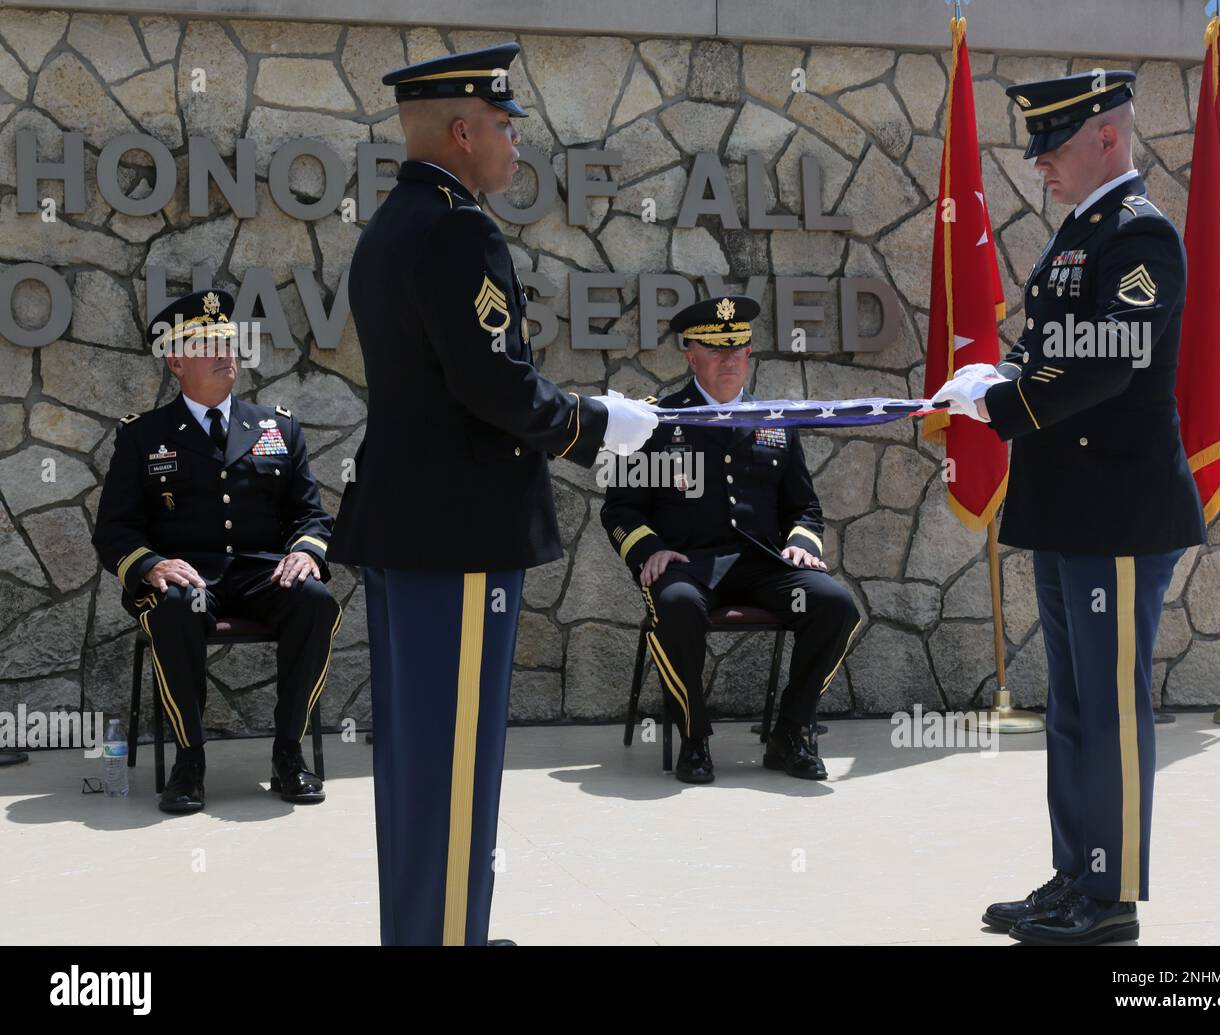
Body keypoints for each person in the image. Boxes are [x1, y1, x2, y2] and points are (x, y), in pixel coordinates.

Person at [328, 43, 657, 946]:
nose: (517, 145)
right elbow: (492, 383)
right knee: (453, 757)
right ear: (462, 132)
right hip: (458, 534)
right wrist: (595, 423)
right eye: (505, 127)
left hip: (413, 526)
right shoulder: (455, 230)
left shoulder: (394, 223)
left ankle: (431, 930)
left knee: (418, 759)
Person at [932, 71, 1206, 945]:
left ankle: (1111, 896)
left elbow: (1110, 358)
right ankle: (1073, 875)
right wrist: (996, 371)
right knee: (1074, 707)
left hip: (1118, 513)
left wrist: (1004, 401)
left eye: (1052, 146)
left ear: (1107, 138)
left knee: (1110, 708)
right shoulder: (1080, 233)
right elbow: (1048, 343)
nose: (1039, 163)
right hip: (1068, 509)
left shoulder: (1140, 233)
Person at [92, 289, 339, 814]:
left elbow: (310, 514)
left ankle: (288, 754)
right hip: (190, 577)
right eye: (207, 345)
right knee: (175, 605)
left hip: (259, 576)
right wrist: (152, 564)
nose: (225, 352)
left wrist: (306, 552)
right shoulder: (143, 436)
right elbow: (114, 528)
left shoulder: (277, 426)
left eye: (228, 341)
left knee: (315, 601)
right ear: (176, 362)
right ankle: (189, 761)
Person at [601, 295, 861, 785]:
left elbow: (804, 507)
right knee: (676, 607)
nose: (728, 360)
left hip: (762, 565)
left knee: (834, 604)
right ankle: (694, 738)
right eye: (715, 350)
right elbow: (620, 508)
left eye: (737, 349)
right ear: (690, 356)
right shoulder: (657, 421)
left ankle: (792, 732)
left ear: (749, 353)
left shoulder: (772, 419)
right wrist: (649, 550)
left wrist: (803, 545)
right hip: (689, 566)